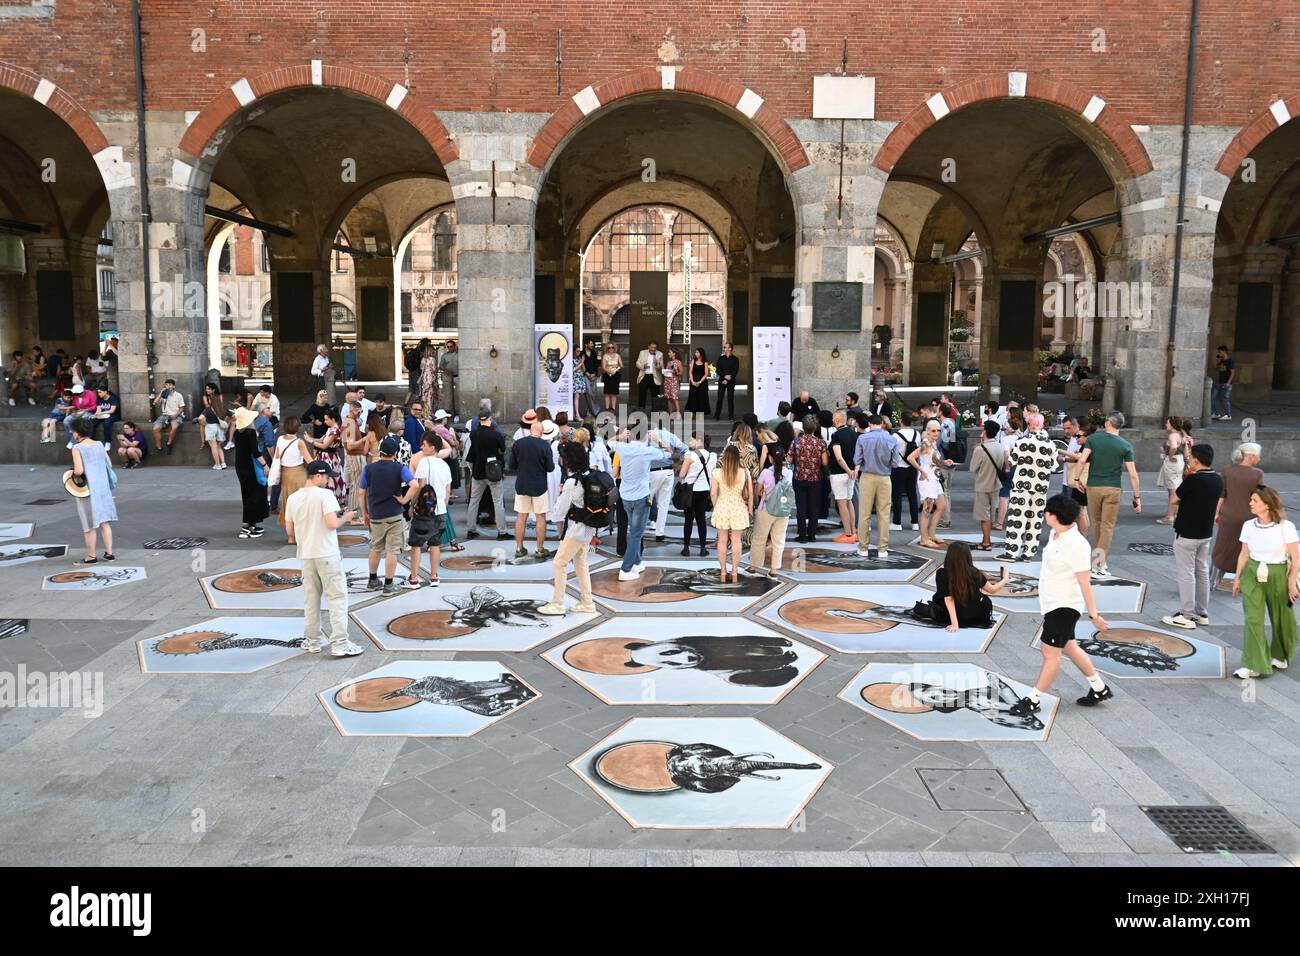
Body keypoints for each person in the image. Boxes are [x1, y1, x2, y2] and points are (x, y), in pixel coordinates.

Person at [1008, 494, 1114, 718]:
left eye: (1047, 511)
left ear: (1054, 516)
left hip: (1065, 606)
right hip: (1052, 603)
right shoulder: (1056, 534)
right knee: (1070, 646)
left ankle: (1034, 699)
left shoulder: (1076, 545)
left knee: (1050, 652)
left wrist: (1094, 615)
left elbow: (1085, 582)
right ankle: (1099, 688)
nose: (1044, 513)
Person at [284, 459, 364, 658]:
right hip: (327, 554)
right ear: (317, 476)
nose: (329, 480)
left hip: (306, 555)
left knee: (311, 600)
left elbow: (289, 530)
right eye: (327, 476)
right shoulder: (325, 495)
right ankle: (340, 643)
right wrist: (346, 517)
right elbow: (331, 523)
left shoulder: (293, 498)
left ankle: (312, 640)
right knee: (337, 599)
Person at [1231, 485, 1299, 679]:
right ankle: (1253, 663)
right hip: (1252, 573)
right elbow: (1244, 554)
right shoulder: (1248, 525)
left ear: (1267, 505)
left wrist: (1291, 583)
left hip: (1278, 572)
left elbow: (1296, 558)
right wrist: (1237, 579)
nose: (1250, 503)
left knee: (1281, 618)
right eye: (1251, 500)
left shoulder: (1285, 527)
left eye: (1255, 501)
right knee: (1253, 618)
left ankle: (1280, 654)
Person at [1161, 444, 1223, 631]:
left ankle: (1186, 614)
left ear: (1196, 460)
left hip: (1187, 532)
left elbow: (1174, 499)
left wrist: (1186, 477)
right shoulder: (1217, 479)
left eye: (1190, 457)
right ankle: (1202, 612)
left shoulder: (1193, 479)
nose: (1188, 459)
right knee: (1201, 570)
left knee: (1186, 572)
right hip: (1205, 532)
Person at [538, 441, 602, 616]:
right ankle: (587, 602)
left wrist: (561, 495)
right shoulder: (590, 473)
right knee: (581, 563)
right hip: (588, 527)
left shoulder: (572, 482)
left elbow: (559, 511)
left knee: (559, 563)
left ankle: (558, 603)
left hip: (576, 529)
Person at [1075, 411, 1141, 577]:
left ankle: (1096, 561)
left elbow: (1082, 460)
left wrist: (1077, 479)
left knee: (1096, 524)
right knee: (1107, 527)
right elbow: (1133, 474)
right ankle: (1098, 564)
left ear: (1108, 423)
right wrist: (1137, 496)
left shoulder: (1093, 439)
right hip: (1113, 488)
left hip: (1093, 487)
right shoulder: (1125, 445)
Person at [608, 428, 667, 580]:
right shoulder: (648, 451)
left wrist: (620, 436)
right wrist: (659, 441)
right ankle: (625, 569)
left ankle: (637, 562)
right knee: (636, 534)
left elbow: (608, 442)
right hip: (640, 497)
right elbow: (669, 454)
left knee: (633, 530)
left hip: (625, 496)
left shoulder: (622, 447)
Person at [357, 435, 414, 595]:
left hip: (375, 514)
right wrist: (404, 500)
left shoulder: (369, 469)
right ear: (395, 453)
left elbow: (361, 493)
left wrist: (365, 513)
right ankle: (389, 585)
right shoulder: (399, 468)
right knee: (392, 551)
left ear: (380, 452)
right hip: (394, 514)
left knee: (375, 548)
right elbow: (415, 485)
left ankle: (372, 580)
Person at [997, 412, 1057, 562]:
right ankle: (1029, 553)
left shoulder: (1022, 441)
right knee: (1035, 520)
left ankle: (1011, 552)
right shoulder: (1050, 444)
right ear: (1042, 425)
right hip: (1040, 487)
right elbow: (1055, 466)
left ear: (1029, 425)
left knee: (1017, 518)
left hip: (1021, 486)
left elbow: (1012, 460)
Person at [1212, 442, 1264, 590]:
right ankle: (1242, 581)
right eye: (1258, 455)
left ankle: (1214, 580)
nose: (1259, 459)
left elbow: (1222, 495)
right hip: (1249, 518)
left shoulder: (1227, 471)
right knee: (1246, 549)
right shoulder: (1257, 474)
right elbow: (1260, 496)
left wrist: (1216, 513)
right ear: (1252, 456)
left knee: (1223, 547)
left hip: (1228, 516)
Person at [921, 543, 1010, 630]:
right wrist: (1005, 578)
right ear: (968, 556)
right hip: (977, 614)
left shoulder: (942, 573)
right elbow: (992, 590)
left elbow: (949, 599)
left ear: (949, 556)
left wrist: (955, 623)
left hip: (952, 614)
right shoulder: (975, 572)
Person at [405, 431, 452, 589]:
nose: (421, 447)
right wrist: (443, 506)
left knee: (416, 544)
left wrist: (412, 505)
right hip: (440, 510)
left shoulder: (425, 462)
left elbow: (419, 487)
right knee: (435, 544)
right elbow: (447, 491)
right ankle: (434, 576)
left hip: (425, 511)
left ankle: (414, 578)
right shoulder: (445, 465)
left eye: (424, 445)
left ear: (432, 447)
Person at [68, 417, 118, 563]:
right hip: (103, 488)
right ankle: (109, 553)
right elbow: (109, 463)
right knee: (104, 522)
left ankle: (91, 556)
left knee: (89, 524)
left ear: (77, 433)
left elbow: (78, 471)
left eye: (73, 432)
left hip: (88, 490)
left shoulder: (77, 448)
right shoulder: (99, 444)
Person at [854, 414, 901, 556]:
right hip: (884, 478)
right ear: (882, 424)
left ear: (869, 424)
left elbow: (857, 459)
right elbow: (895, 463)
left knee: (864, 514)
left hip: (867, 477)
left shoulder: (862, 438)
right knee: (884, 514)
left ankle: (863, 547)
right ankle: (882, 548)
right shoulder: (891, 439)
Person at [509, 416, 556, 560]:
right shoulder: (545, 446)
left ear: (530, 430)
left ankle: (519, 548)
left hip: (522, 484)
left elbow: (511, 466)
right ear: (541, 433)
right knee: (540, 517)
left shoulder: (518, 444)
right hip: (539, 486)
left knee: (521, 517)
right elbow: (550, 468)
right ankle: (539, 549)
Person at [909, 418, 953, 550]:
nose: (936, 433)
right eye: (933, 430)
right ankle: (924, 539)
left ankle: (932, 534)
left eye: (938, 430)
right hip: (927, 479)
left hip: (934, 478)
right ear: (927, 431)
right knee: (927, 509)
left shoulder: (932, 443)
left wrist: (945, 463)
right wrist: (921, 470)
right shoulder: (926, 443)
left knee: (941, 505)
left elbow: (934, 460)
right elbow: (910, 457)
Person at [711, 443, 752, 583]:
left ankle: (723, 571)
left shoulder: (717, 472)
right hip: (739, 507)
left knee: (722, 540)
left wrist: (717, 505)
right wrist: (750, 508)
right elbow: (750, 493)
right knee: (736, 541)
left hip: (722, 506)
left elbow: (712, 493)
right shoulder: (745, 471)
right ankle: (734, 571)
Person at [748, 446, 792, 578]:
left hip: (766, 509)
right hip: (783, 510)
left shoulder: (766, 472)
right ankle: (774, 571)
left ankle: (753, 566)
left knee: (759, 538)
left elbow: (758, 490)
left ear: (770, 458)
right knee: (778, 541)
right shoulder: (789, 473)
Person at [465, 410, 508, 539]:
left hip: (478, 471)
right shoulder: (496, 435)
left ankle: (470, 529)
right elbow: (502, 450)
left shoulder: (474, 434)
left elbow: (472, 454)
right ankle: (502, 531)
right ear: (490, 418)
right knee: (498, 502)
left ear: (479, 420)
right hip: (493, 471)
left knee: (474, 501)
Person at [232, 407, 270, 538]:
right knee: (253, 496)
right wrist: (265, 465)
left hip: (240, 467)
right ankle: (246, 526)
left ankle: (251, 524)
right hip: (250, 468)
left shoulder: (237, 432)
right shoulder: (250, 432)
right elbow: (256, 452)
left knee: (248, 494)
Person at [790, 414, 827, 543]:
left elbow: (789, 459)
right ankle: (812, 534)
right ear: (815, 427)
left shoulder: (796, 442)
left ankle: (801, 535)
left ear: (803, 427)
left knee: (801, 507)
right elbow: (825, 463)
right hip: (815, 478)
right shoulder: (821, 443)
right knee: (814, 506)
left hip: (799, 477)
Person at [678, 434, 715, 557]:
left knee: (688, 520)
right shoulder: (712, 456)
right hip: (704, 491)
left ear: (699, 441)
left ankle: (686, 548)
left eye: (692, 439)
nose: (690, 441)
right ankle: (703, 548)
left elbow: (682, 474)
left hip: (690, 490)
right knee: (701, 519)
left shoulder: (691, 455)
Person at [272, 417, 314, 528]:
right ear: (297, 428)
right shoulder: (299, 442)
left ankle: (291, 536)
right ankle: (299, 530)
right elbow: (309, 461)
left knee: (288, 503)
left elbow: (276, 456)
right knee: (300, 503)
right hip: (298, 473)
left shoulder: (280, 439)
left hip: (285, 474)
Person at [970, 420, 1005, 552]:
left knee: (984, 516)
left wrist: (979, 444)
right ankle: (987, 540)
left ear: (985, 431)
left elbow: (973, 468)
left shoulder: (980, 449)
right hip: (996, 484)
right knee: (991, 515)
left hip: (982, 485)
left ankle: (986, 542)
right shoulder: (1000, 446)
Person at [648, 425, 687, 542]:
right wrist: (678, 463)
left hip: (651, 472)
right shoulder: (671, 436)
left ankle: (642, 528)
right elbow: (685, 450)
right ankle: (659, 533)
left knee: (645, 502)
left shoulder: (648, 434)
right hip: (668, 471)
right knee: (663, 504)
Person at [828, 409, 858, 544]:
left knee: (841, 502)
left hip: (840, 473)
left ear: (838, 420)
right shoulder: (854, 434)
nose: (833, 420)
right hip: (852, 472)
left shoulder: (836, 436)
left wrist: (847, 470)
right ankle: (853, 532)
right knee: (849, 501)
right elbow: (859, 455)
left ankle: (847, 534)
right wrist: (854, 470)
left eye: (834, 418)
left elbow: (839, 458)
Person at [1059, 417, 1091, 535]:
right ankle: (1080, 536)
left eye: (1068, 428)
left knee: (1079, 511)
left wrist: (1062, 453)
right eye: (1064, 428)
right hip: (1073, 479)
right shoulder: (1076, 440)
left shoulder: (1083, 442)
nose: (1066, 431)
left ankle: (1081, 537)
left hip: (1078, 480)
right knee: (1081, 511)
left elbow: (1079, 458)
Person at [890, 411, 922, 531]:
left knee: (897, 495)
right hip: (913, 467)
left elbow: (893, 452)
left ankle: (897, 522)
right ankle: (915, 522)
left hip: (898, 467)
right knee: (912, 494)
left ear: (901, 421)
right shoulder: (917, 434)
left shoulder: (895, 436)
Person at [1156, 416, 1190, 524]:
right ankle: (1175, 514)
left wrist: (1170, 455)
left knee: (1172, 490)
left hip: (1172, 463)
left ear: (1172, 424)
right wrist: (1186, 461)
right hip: (1180, 462)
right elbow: (1186, 449)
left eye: (1167, 423)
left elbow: (1174, 447)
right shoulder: (1182, 435)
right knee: (1176, 488)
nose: (1166, 425)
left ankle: (1170, 517)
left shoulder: (1173, 436)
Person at [308, 406, 346, 501]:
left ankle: (333, 501)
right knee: (329, 478)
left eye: (326, 420)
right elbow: (321, 440)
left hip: (330, 457)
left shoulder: (335, 431)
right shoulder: (331, 429)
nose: (324, 422)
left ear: (333, 419)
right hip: (327, 457)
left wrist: (311, 441)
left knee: (330, 479)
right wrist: (311, 438)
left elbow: (324, 445)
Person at [151, 378, 186, 455]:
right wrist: (161, 393)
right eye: (166, 385)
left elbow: (182, 407)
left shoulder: (178, 395)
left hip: (176, 415)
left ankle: (169, 443)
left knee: (174, 427)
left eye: (170, 385)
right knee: (155, 429)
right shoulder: (164, 395)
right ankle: (158, 448)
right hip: (165, 415)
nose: (168, 386)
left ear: (174, 386)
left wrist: (176, 415)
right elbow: (155, 402)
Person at [199, 384, 227, 469]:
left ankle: (217, 465)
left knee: (213, 447)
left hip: (211, 427)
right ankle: (223, 463)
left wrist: (204, 423)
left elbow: (200, 418)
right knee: (219, 446)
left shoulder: (208, 410)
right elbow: (232, 416)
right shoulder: (222, 408)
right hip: (220, 428)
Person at [714, 342, 739, 420]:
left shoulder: (735, 359)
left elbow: (735, 371)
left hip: (731, 381)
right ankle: (717, 415)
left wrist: (728, 379)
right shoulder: (721, 358)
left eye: (725, 347)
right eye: (724, 347)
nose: (724, 348)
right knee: (720, 398)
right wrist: (724, 377)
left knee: (730, 398)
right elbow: (717, 370)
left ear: (730, 348)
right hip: (722, 380)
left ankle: (731, 416)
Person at [634, 340, 664, 409]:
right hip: (644, 376)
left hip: (655, 377)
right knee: (642, 395)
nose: (653, 349)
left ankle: (655, 413)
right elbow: (637, 363)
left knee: (655, 396)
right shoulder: (642, 352)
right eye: (652, 347)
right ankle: (641, 412)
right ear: (648, 347)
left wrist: (657, 364)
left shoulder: (660, 354)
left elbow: (661, 367)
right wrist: (643, 366)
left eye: (655, 347)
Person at [1211, 344, 1236, 421]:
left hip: (1226, 384)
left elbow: (1233, 372)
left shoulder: (1230, 361)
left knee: (1225, 398)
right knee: (1214, 397)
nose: (1219, 353)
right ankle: (1216, 413)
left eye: (1220, 352)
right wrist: (1217, 359)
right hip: (1220, 383)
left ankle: (1228, 415)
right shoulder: (1221, 361)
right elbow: (1216, 367)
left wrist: (1228, 383)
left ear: (1224, 352)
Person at [438, 339, 459, 417]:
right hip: (447, 378)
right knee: (447, 396)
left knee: (457, 395)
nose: (449, 348)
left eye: (451, 346)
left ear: (454, 346)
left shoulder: (458, 354)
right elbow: (440, 366)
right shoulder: (444, 356)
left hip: (457, 377)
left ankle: (457, 411)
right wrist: (445, 369)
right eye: (448, 347)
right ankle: (449, 412)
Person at [601, 342, 623, 411]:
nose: (611, 349)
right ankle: (607, 408)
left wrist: (615, 366)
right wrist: (609, 371)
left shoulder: (617, 355)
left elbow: (621, 365)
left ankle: (613, 409)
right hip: (607, 375)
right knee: (607, 393)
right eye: (609, 347)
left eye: (612, 347)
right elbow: (603, 367)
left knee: (614, 393)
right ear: (607, 348)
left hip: (615, 375)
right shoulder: (605, 356)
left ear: (615, 348)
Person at [662, 346, 684, 418]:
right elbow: (666, 371)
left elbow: (681, 373)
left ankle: (678, 413)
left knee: (674, 397)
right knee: (669, 398)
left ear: (674, 353)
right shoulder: (669, 362)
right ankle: (670, 414)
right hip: (667, 381)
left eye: (670, 352)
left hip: (674, 381)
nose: (668, 353)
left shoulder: (678, 362)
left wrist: (676, 372)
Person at [405, 338, 428, 404]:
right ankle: (416, 406)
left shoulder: (414, 350)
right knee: (418, 390)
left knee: (411, 390)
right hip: (417, 372)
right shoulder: (421, 351)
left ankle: (405, 404)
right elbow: (421, 364)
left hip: (411, 371)